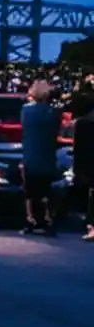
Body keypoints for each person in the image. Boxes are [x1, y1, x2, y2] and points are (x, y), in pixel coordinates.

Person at [19, 80, 62, 236]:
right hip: (47, 155)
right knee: (47, 191)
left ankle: (30, 221)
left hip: (30, 155)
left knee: (30, 192)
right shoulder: (53, 113)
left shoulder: (26, 111)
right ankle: (48, 221)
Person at [72, 96, 94, 242]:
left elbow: (78, 149)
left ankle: (92, 226)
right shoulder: (84, 123)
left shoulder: (83, 123)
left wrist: (78, 169)